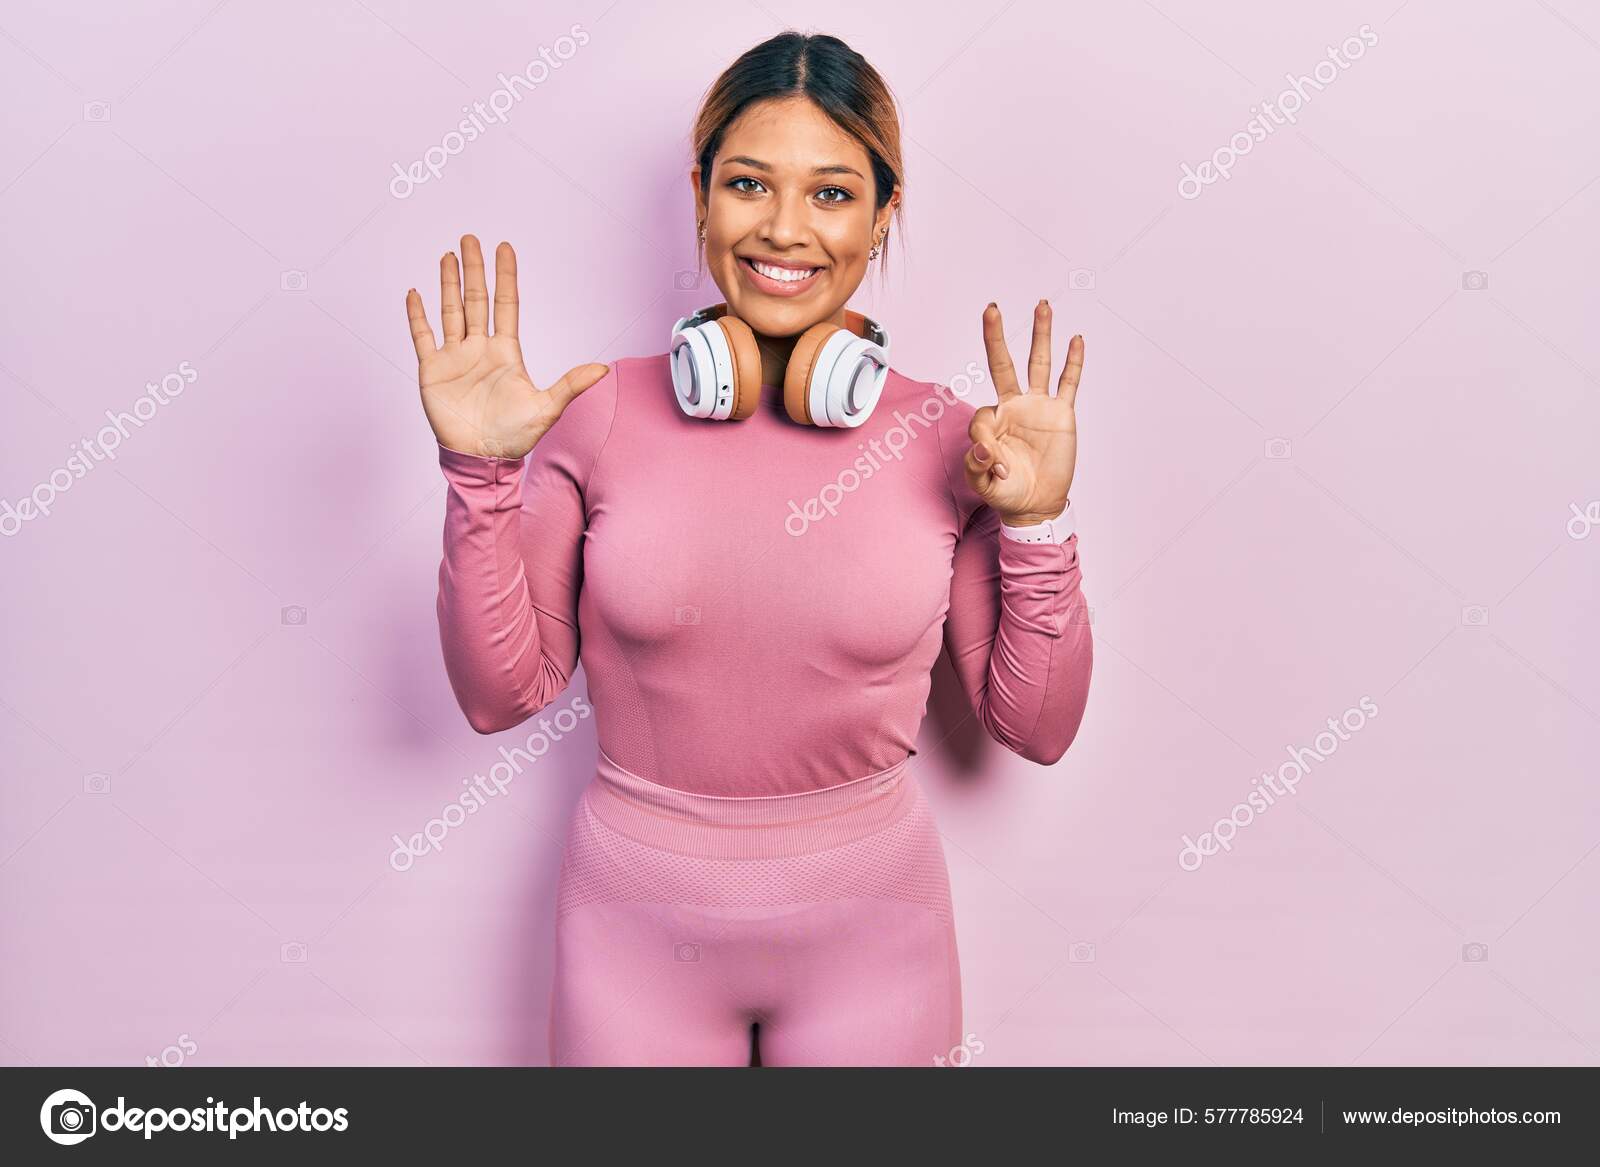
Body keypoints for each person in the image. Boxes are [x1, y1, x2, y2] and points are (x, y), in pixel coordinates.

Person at [403, 31, 1093, 1066]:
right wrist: (479, 474)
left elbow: (1034, 729)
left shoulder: (956, 441)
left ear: (881, 214)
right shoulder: (596, 416)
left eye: (830, 193)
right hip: (630, 940)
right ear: (700, 196)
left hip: (876, 944)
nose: (783, 228)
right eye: (747, 184)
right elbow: (499, 696)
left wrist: (1039, 523)